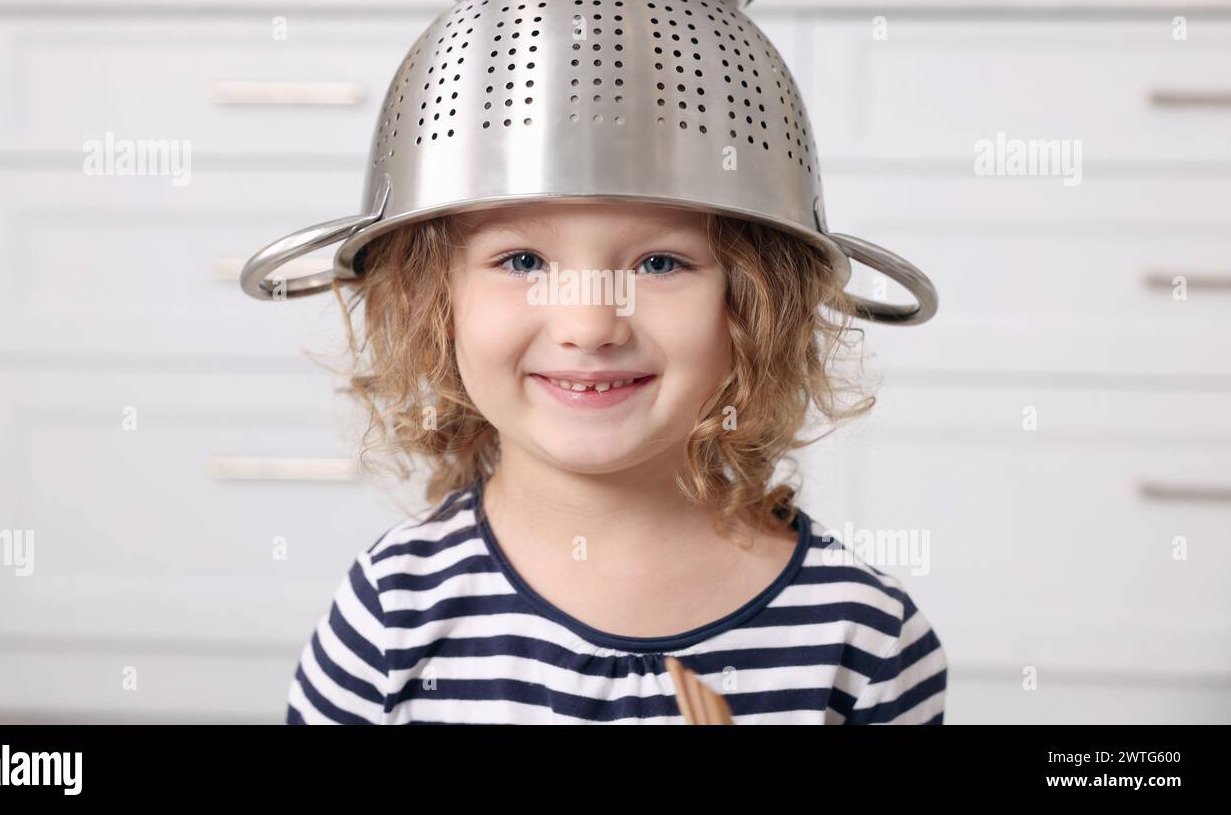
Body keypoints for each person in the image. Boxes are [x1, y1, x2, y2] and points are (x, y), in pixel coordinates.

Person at [284, 198, 947, 723]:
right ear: (434, 301)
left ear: (754, 304)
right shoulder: (392, 612)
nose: (591, 322)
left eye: (658, 263)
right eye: (523, 260)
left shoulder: (863, 634)